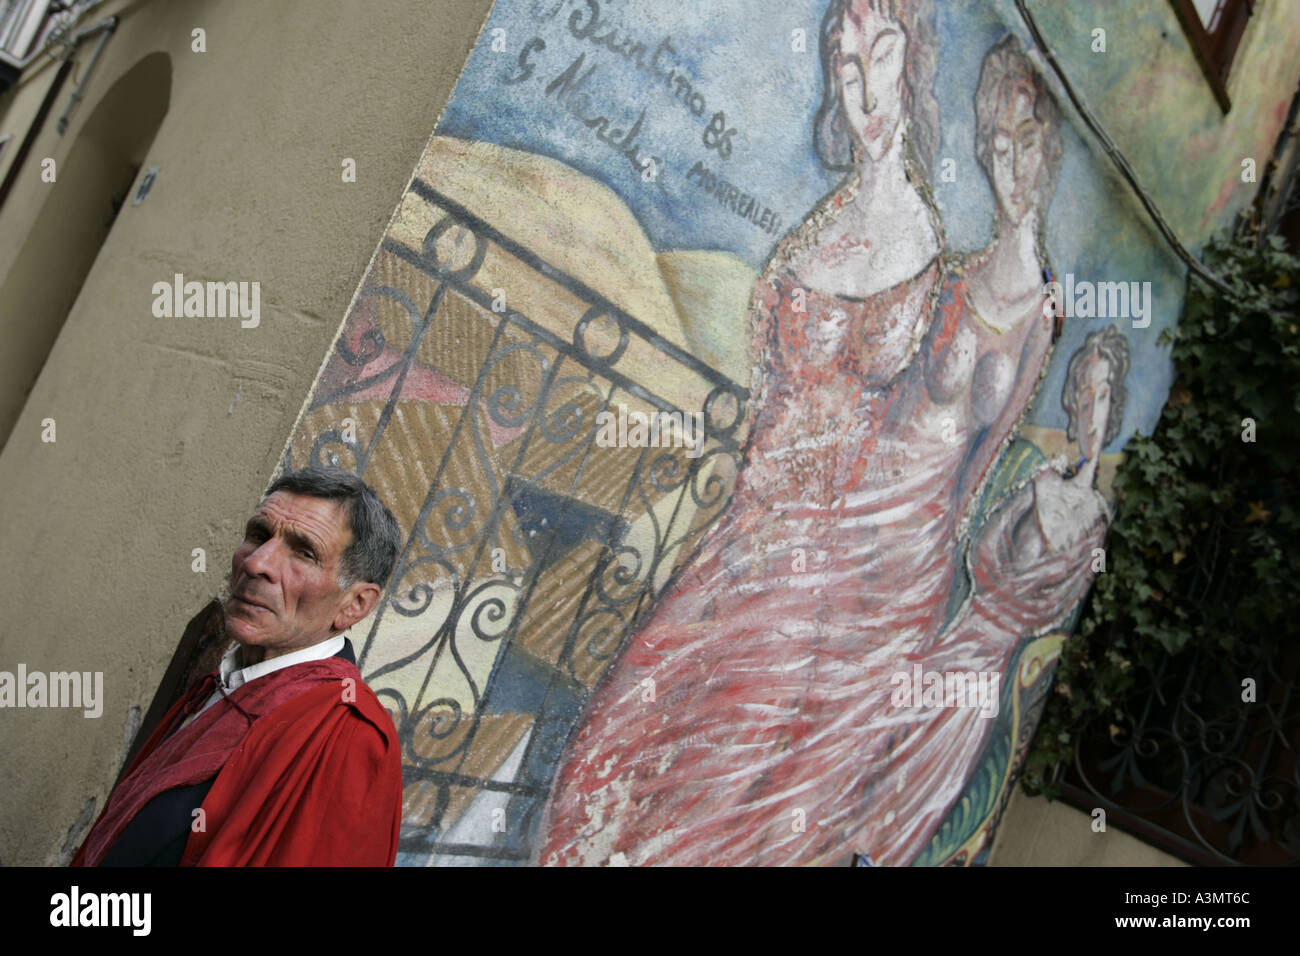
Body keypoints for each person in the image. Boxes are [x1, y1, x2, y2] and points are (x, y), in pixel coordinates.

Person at [537, 0, 952, 866]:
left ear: (913, 65)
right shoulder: (819, 227)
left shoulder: (924, 240)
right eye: (845, 65)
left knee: (719, 785)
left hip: (819, 576)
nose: (865, 88)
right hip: (741, 538)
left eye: (881, 56)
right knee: (623, 746)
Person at [859, 325, 1130, 864]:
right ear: (1072, 406)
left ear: (1114, 407)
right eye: (1082, 395)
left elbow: (1054, 607)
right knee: (889, 742)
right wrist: (994, 596)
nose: (1090, 410)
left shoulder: (1098, 521)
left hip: (991, 667)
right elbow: (983, 548)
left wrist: (1010, 607)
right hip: (965, 633)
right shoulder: (1040, 484)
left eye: (1102, 397)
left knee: (933, 778)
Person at [71, 466, 406, 867]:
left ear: (355, 604)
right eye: (259, 535)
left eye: (304, 552)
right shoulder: (220, 686)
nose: (256, 563)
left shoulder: (347, 736)